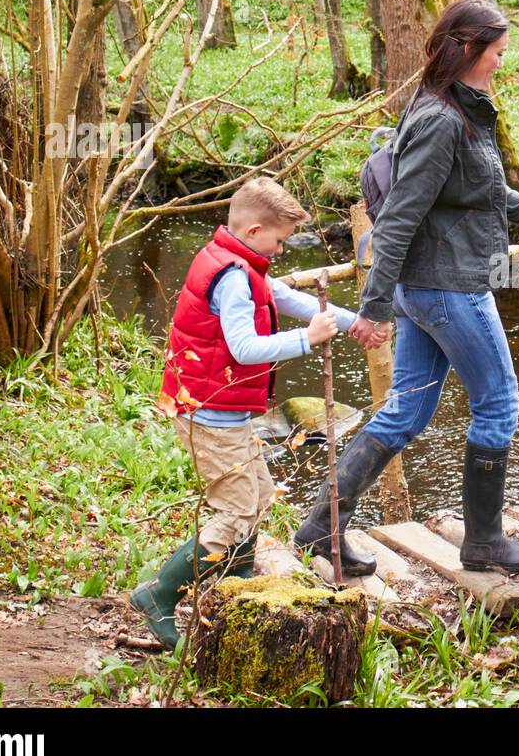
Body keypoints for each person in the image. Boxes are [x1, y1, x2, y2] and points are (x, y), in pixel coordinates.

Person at [294, 0, 519, 575]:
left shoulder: (455, 107)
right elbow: (397, 217)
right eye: (498, 52)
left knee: (403, 413)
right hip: (447, 288)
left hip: (429, 289)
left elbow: (476, 189)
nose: (503, 62)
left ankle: (318, 529)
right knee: (499, 405)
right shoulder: (440, 119)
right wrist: (372, 308)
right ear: (469, 48)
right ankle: (485, 543)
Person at [130, 177, 355, 650]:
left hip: (218, 411)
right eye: (279, 239)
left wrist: (356, 323)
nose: (281, 249)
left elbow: (284, 298)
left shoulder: (236, 259)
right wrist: (307, 339)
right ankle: (158, 595)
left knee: (259, 496)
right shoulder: (233, 278)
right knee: (234, 510)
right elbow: (244, 347)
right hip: (209, 417)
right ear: (254, 231)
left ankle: (238, 583)